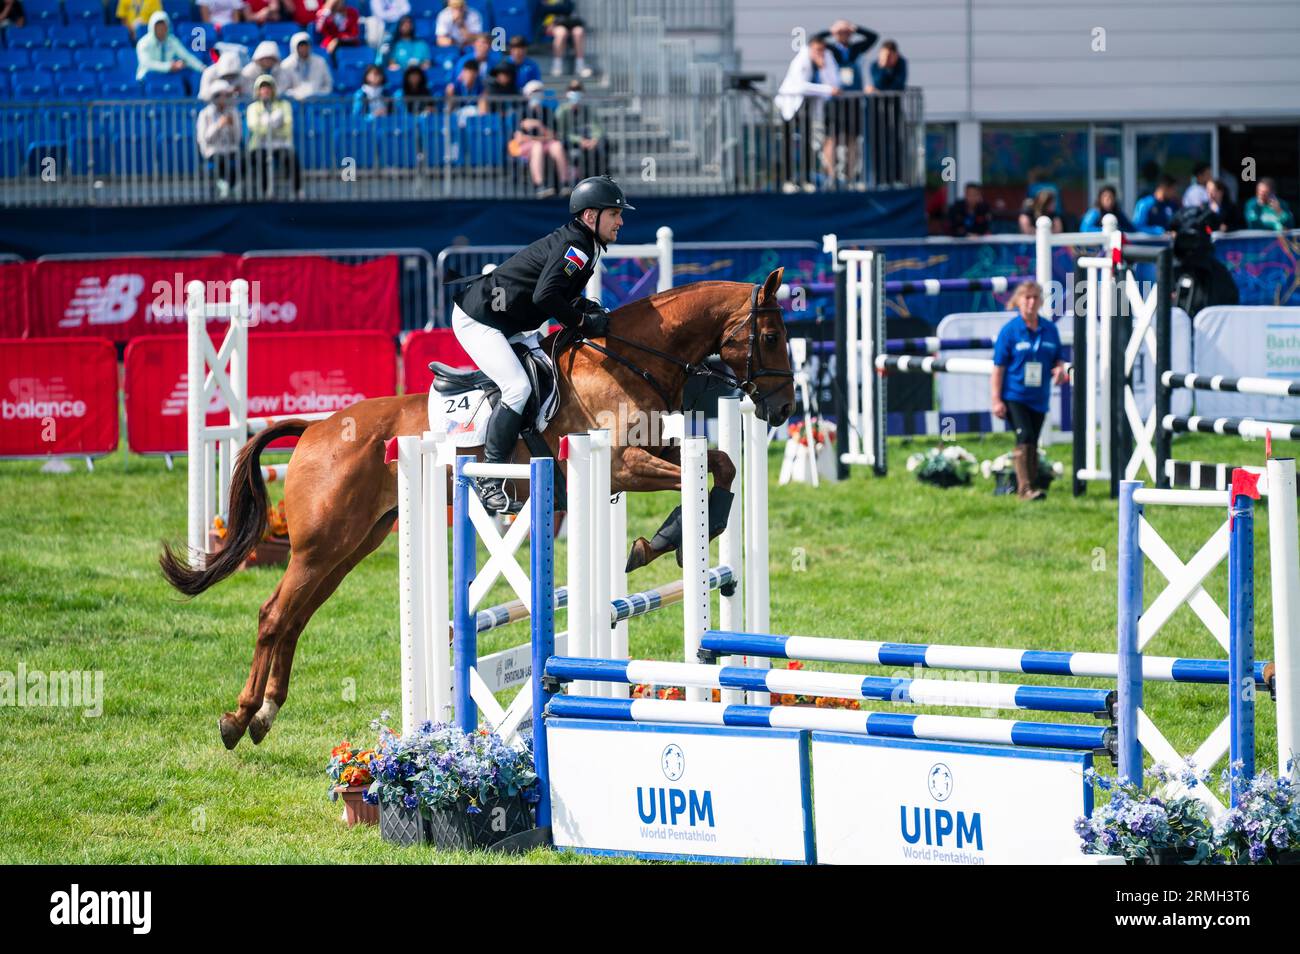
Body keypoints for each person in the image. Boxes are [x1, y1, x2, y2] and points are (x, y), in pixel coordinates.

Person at [450, 175, 631, 511]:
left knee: (551, 379)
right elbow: (546, 294)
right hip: (481, 320)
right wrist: (579, 321)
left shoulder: (585, 245)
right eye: (615, 214)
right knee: (517, 388)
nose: (621, 221)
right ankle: (489, 476)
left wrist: (584, 310)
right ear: (591, 216)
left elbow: (557, 294)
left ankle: (544, 464)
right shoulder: (576, 247)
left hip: (511, 322)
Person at [991, 281, 1066, 501]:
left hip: (1039, 396)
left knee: (1032, 440)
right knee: (1024, 436)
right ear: (1018, 301)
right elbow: (998, 368)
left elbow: (1057, 358)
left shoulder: (1049, 330)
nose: (1031, 302)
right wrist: (996, 399)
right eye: (1027, 298)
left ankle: (1032, 485)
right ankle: (1025, 489)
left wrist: (1060, 369)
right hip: (1015, 395)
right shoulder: (1010, 332)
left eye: (1035, 298)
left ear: (1041, 301)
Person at [814, 21, 877, 185]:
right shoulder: (831, 49)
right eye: (840, 33)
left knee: (852, 138)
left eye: (846, 33)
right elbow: (815, 39)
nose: (843, 35)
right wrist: (831, 29)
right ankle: (831, 176)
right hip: (835, 100)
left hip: (853, 100)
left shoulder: (856, 49)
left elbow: (873, 37)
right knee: (832, 137)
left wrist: (855, 27)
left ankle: (849, 176)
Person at [774, 35, 839, 193]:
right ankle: (788, 180)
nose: (820, 53)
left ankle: (806, 179)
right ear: (810, 48)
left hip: (807, 108)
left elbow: (834, 83)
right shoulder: (801, 60)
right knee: (788, 144)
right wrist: (827, 90)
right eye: (817, 50)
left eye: (822, 50)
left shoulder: (825, 59)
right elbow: (801, 87)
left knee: (806, 144)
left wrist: (822, 67)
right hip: (790, 107)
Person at [511, 78, 571, 196]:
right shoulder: (521, 112)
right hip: (525, 147)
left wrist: (538, 125)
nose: (536, 95)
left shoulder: (547, 111)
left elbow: (553, 136)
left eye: (539, 92)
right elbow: (519, 138)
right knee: (537, 146)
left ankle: (565, 183)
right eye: (533, 92)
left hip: (544, 143)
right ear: (527, 95)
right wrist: (541, 139)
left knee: (557, 146)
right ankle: (540, 185)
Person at [245, 73, 301, 195]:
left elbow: (287, 128)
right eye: (262, 87)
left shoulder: (284, 105)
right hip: (259, 145)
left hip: (280, 144)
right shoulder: (252, 108)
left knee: (291, 158)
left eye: (268, 87)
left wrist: (266, 126)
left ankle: (297, 191)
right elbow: (255, 128)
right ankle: (264, 193)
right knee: (260, 159)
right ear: (258, 91)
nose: (265, 90)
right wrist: (275, 124)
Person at [196, 80, 245, 198]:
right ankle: (225, 187)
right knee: (221, 160)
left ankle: (232, 187)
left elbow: (237, 138)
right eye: (220, 95)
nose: (223, 98)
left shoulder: (234, 112)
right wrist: (219, 125)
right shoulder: (204, 114)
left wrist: (232, 126)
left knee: (244, 160)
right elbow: (205, 139)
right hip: (212, 150)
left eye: (226, 95)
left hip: (230, 149)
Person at [555, 79, 607, 178]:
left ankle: (601, 179)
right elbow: (561, 132)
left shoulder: (588, 109)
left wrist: (594, 140)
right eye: (573, 89)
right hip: (571, 143)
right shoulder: (562, 110)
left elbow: (597, 127)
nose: (575, 92)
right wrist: (580, 140)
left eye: (578, 89)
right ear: (567, 93)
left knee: (601, 145)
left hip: (588, 142)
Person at [135, 10, 206, 81]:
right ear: (152, 27)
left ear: (168, 26)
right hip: (146, 78)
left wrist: (202, 68)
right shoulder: (143, 43)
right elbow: (147, 63)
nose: (161, 29)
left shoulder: (172, 41)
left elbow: (187, 57)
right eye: (158, 26)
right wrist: (169, 66)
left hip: (167, 77)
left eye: (163, 25)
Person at [540, 0, 588, 77]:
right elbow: (544, 9)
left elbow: (569, 7)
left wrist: (557, 8)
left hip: (570, 23)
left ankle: (580, 65)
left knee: (579, 32)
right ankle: (557, 65)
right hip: (553, 25)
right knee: (561, 33)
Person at [281, 30, 333, 99]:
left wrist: (317, 93)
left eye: (306, 45)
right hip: (294, 103)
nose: (304, 49)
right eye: (301, 46)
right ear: (294, 47)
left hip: (317, 102)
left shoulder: (320, 62)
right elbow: (283, 89)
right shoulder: (286, 65)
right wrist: (296, 94)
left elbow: (328, 85)